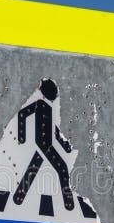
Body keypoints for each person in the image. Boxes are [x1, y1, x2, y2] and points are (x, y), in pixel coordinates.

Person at [13, 78, 75, 210]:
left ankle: (19, 196)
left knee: (34, 167)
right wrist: (22, 138)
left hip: (45, 144)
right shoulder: (40, 104)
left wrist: (65, 146)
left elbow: (54, 131)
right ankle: (68, 202)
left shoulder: (48, 108)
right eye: (55, 93)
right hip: (42, 144)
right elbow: (22, 114)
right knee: (62, 168)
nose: (56, 96)